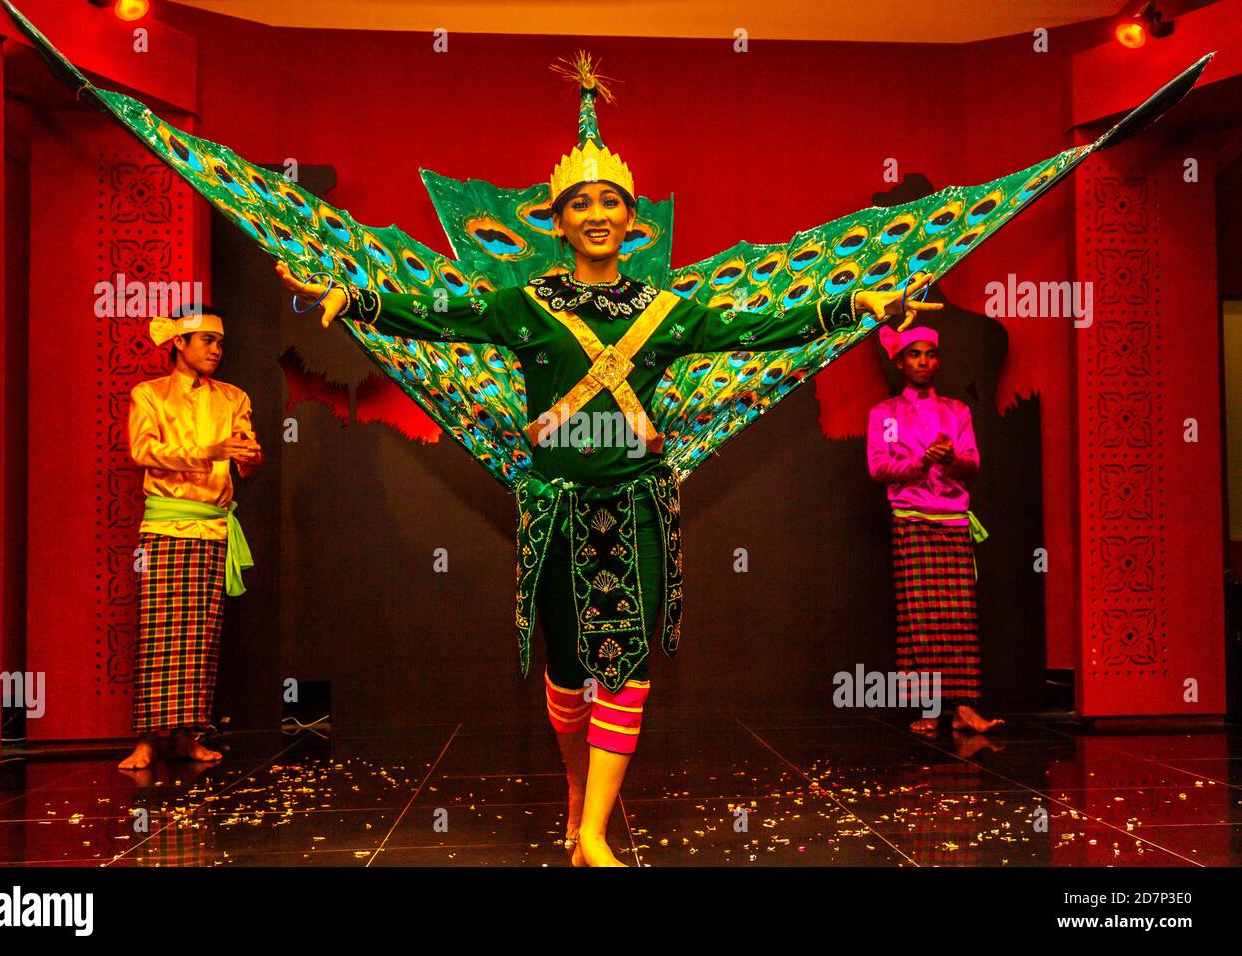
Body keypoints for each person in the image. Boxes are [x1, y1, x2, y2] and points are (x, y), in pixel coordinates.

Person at [275, 74, 940, 863]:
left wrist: (850, 305)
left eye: (611, 203)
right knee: (566, 680)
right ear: (557, 221)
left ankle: (592, 832)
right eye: (579, 204)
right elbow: (441, 317)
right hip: (553, 508)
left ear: (632, 219)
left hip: (637, 508)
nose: (596, 215)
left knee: (625, 668)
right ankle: (576, 790)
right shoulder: (525, 304)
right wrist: (354, 299)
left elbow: (758, 326)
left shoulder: (668, 311)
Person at [119, 308, 262, 771]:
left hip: (212, 525)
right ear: (179, 344)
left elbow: (245, 458)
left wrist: (248, 459)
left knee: (200, 634)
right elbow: (142, 450)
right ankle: (147, 738)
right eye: (206, 342)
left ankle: (186, 734)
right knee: (158, 633)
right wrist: (208, 451)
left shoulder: (233, 397)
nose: (216, 351)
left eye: (220, 344)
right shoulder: (151, 394)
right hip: (165, 525)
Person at [866, 325, 1003, 736]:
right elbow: (877, 469)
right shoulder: (883, 414)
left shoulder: (957, 412)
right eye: (914, 355)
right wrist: (921, 463)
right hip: (911, 519)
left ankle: (963, 708)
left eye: (930, 354)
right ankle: (927, 708)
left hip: (952, 519)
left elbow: (973, 466)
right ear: (900, 361)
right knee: (920, 618)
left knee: (960, 617)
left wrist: (950, 460)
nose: (923, 362)